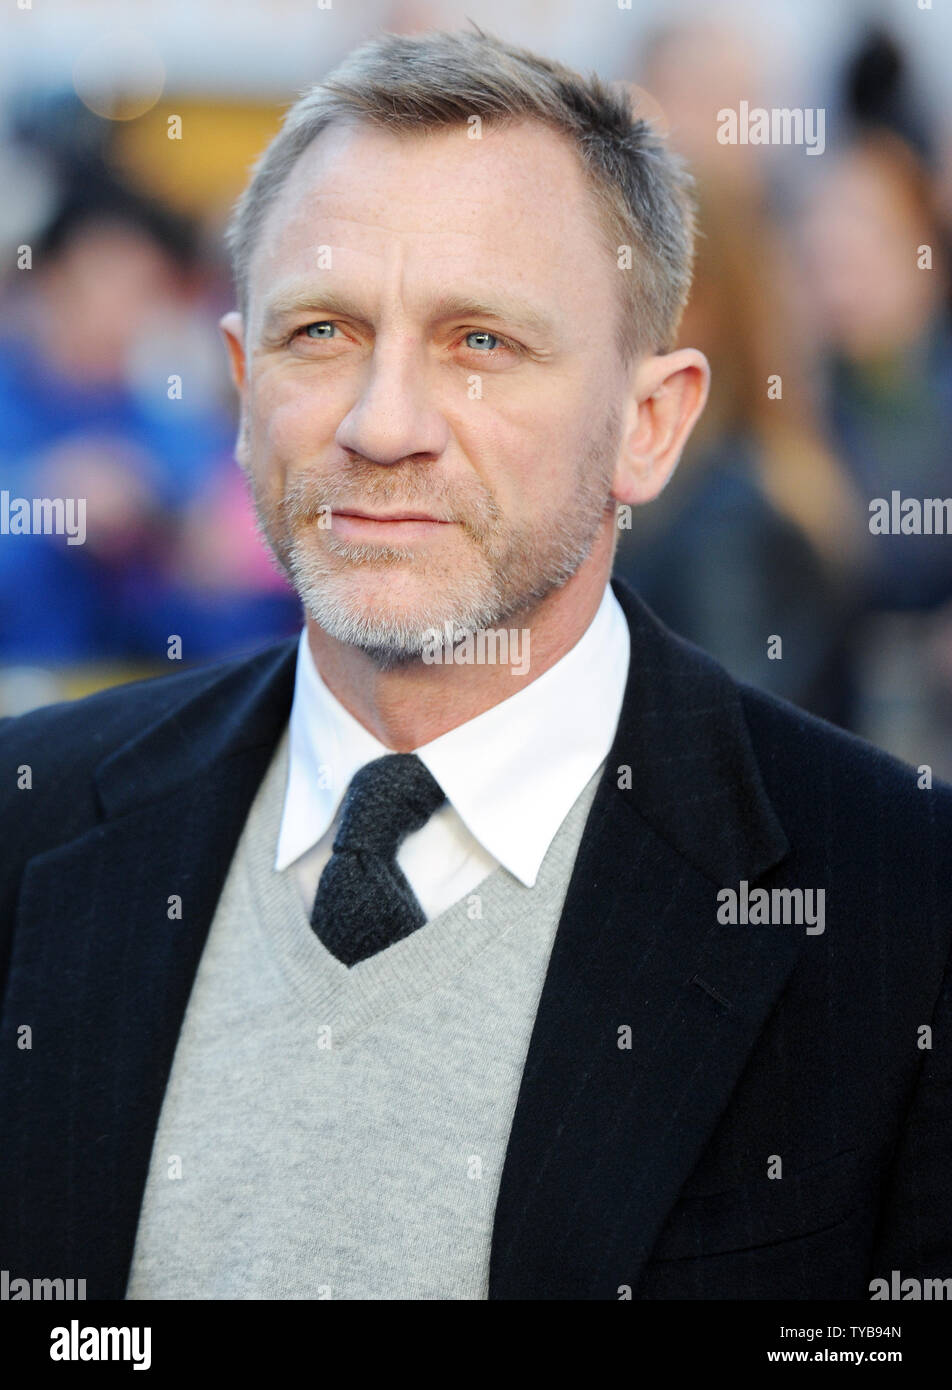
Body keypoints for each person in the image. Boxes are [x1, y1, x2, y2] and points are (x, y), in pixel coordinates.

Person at [1, 29, 949, 1302]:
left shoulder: (897, 900)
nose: (382, 422)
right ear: (239, 383)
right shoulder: (33, 826)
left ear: (649, 423)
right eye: (323, 332)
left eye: (482, 342)